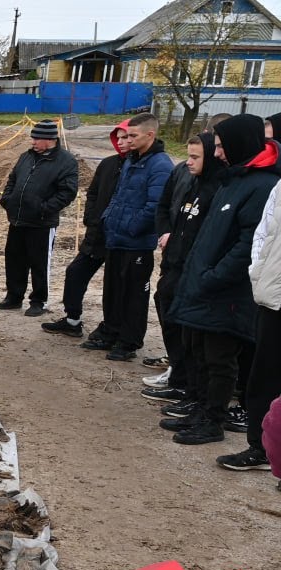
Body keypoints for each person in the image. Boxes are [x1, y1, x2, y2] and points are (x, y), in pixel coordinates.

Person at [166, 114, 280, 446]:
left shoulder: (262, 186)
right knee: (199, 352)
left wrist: (213, 276)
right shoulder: (234, 179)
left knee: (219, 358)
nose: (216, 153)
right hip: (205, 284)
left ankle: (213, 420)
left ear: (239, 144)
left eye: (220, 146)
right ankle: (200, 410)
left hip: (227, 291)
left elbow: (248, 244)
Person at [142, 133, 225, 408]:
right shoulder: (192, 181)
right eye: (188, 155)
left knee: (188, 333)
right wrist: (166, 234)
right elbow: (170, 211)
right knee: (168, 313)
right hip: (174, 263)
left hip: (193, 271)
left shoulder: (218, 188)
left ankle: (187, 386)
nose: (188, 162)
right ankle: (179, 377)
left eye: (195, 157)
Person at [83, 112, 173, 361]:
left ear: (150, 135)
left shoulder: (160, 165)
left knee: (134, 295)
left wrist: (131, 227)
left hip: (136, 244)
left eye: (133, 135)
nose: (128, 140)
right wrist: (108, 220)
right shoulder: (132, 161)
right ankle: (111, 331)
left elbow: (155, 206)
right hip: (115, 238)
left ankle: (129, 341)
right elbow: (118, 195)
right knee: (113, 290)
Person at [216, 147, 281, 471]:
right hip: (274, 297)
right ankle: (262, 448)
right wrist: (258, 272)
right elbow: (264, 233)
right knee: (264, 378)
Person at [43, 121, 129, 338]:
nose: (121, 142)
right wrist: (90, 218)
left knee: (116, 285)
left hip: (122, 237)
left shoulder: (141, 167)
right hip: (97, 233)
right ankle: (72, 320)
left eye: (126, 137)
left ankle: (116, 330)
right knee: (75, 272)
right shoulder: (108, 164)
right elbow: (93, 193)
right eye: (118, 138)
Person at [0, 119, 79, 316]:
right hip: (17, 219)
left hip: (42, 223)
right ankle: (14, 297)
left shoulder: (66, 161)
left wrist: (44, 209)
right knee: (14, 259)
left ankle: (39, 301)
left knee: (39, 263)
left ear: (50, 140)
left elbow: (67, 192)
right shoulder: (26, 157)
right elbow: (12, 179)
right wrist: (8, 200)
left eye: (36, 138)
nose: (32, 142)